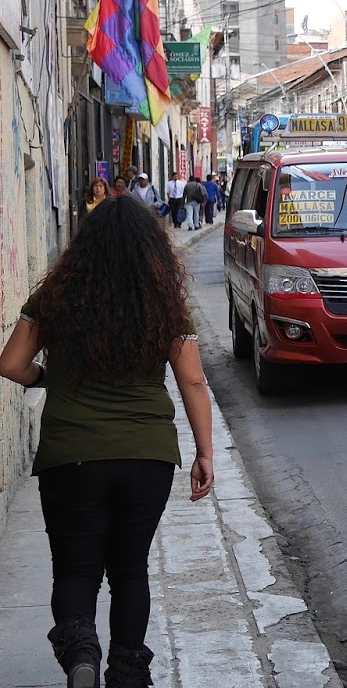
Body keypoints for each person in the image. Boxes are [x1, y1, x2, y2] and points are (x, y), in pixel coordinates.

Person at [0, 195, 215, 688]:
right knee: (130, 570)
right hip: (147, 455)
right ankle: (125, 674)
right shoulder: (164, 302)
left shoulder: (55, 298)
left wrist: (46, 379)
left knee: (76, 570)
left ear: (85, 246)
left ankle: (81, 655)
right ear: (150, 249)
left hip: (70, 456)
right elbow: (193, 383)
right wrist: (204, 452)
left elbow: (11, 364)